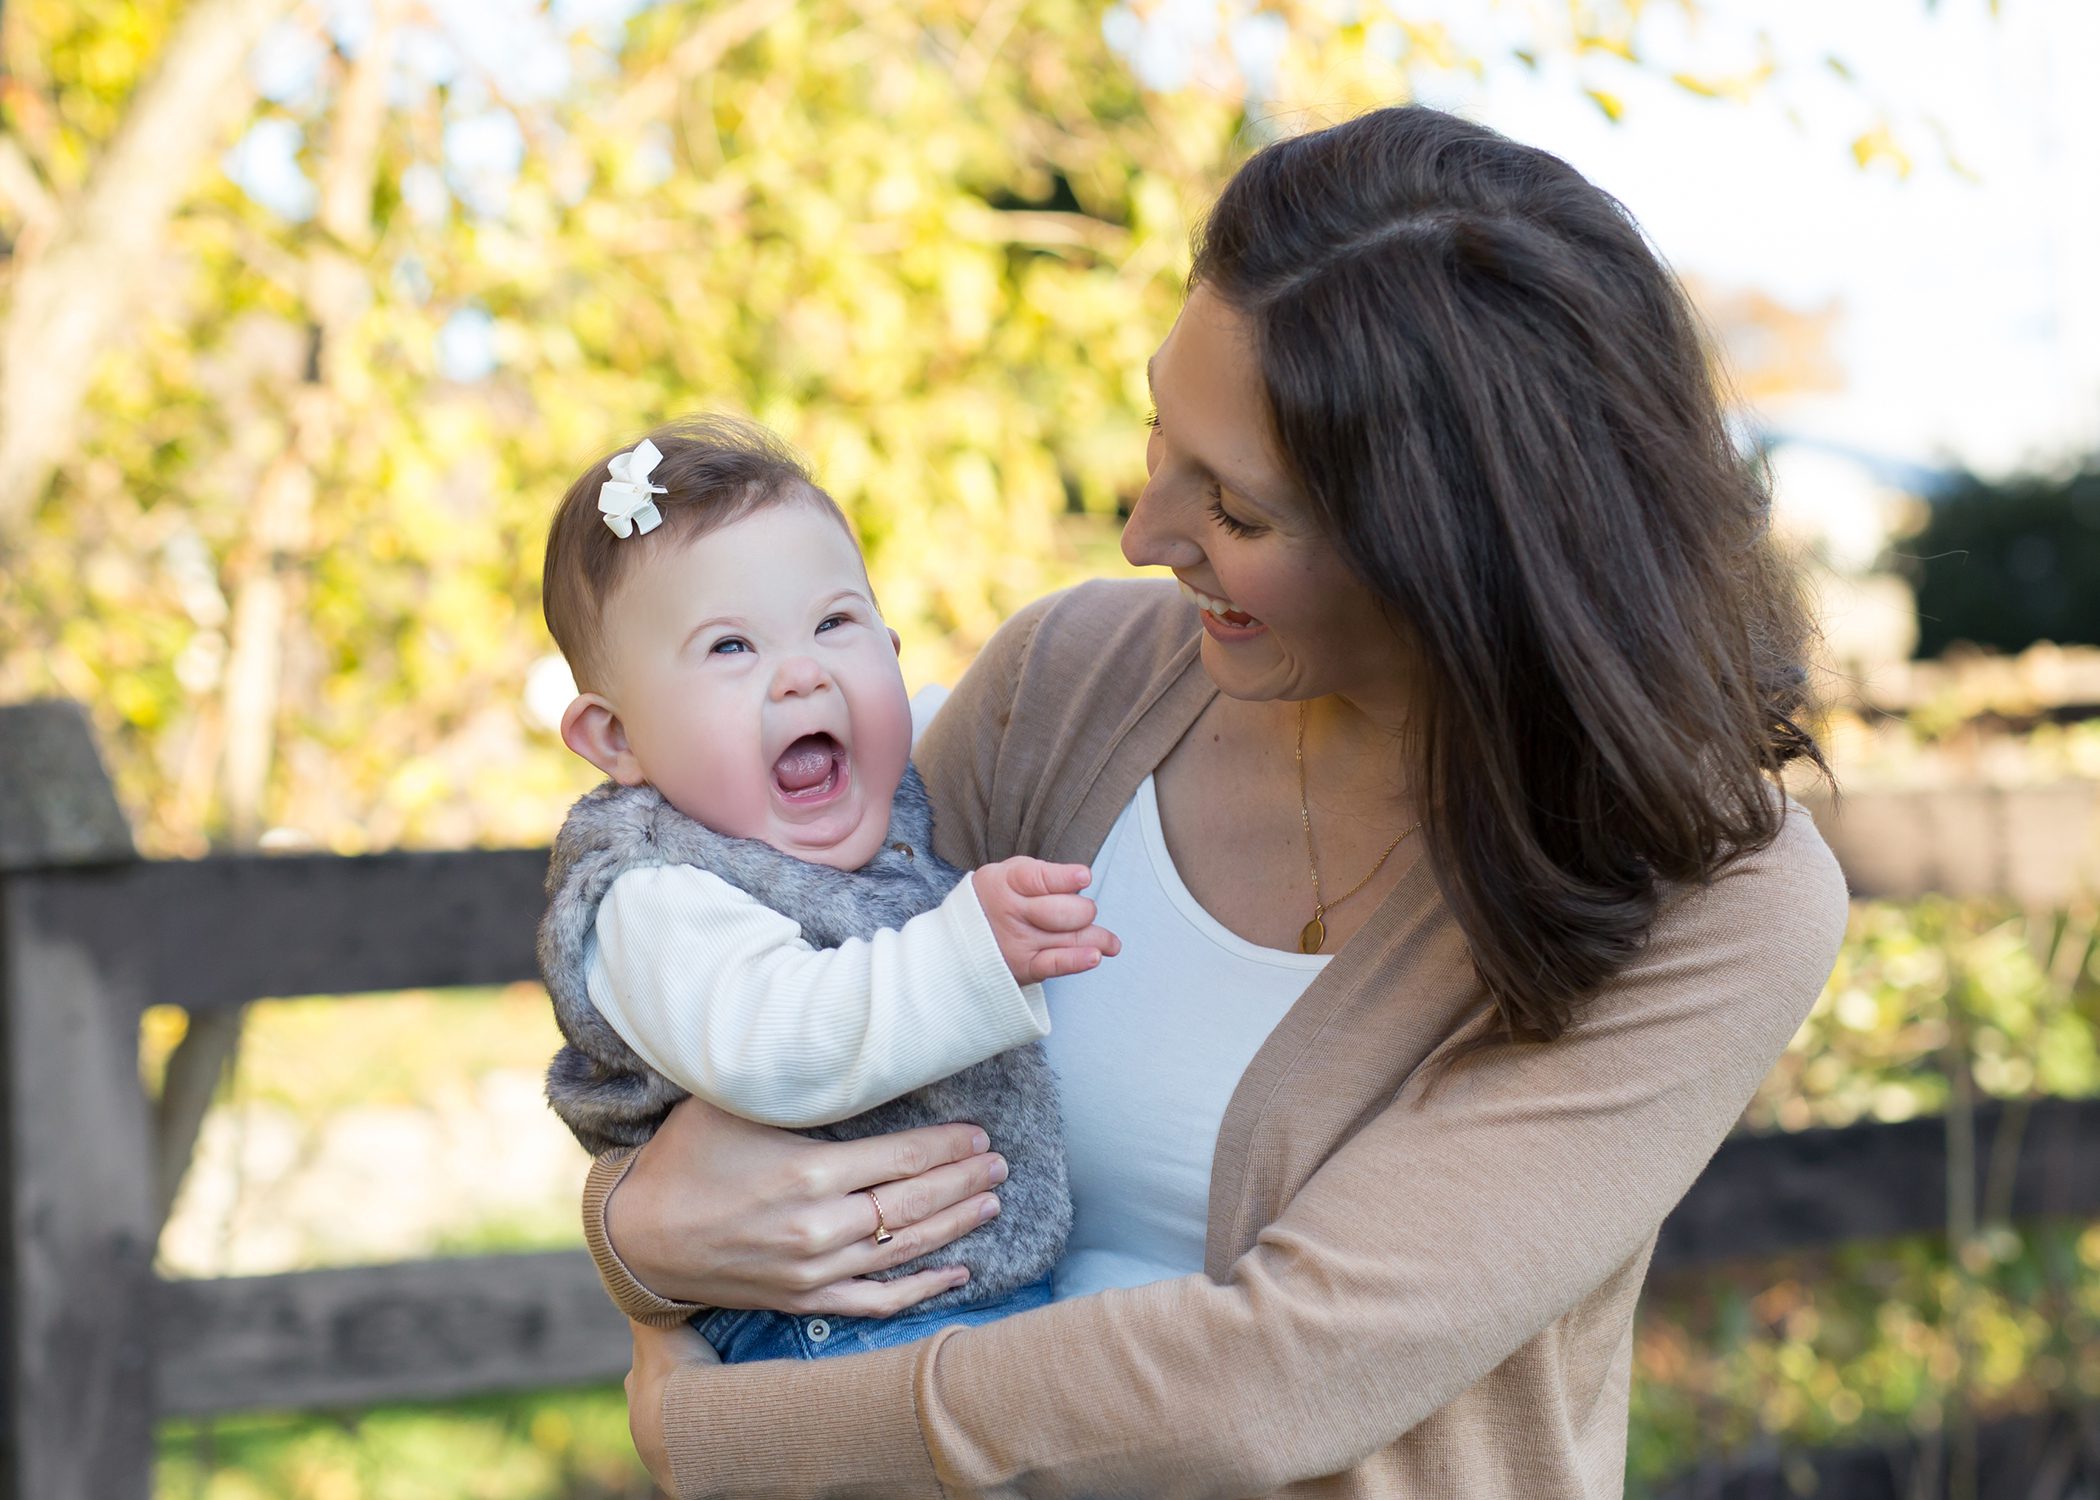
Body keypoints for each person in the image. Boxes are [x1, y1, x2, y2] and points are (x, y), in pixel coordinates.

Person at [584, 106, 1850, 1496]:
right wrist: (636, 1233)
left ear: (1458, 552)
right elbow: (741, 1049)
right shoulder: (1065, 682)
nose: (1145, 534)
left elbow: (1272, 1386)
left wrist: (711, 1434)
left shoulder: (1710, 897)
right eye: (1155, 436)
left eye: (1237, 511)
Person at [535, 415, 1120, 1364]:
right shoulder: (650, 890)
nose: (803, 673)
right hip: (821, 1331)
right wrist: (970, 953)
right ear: (617, 741)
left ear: (892, 649)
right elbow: (777, 1045)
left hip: (958, 1305)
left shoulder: (888, 802)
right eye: (730, 648)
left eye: (834, 624)